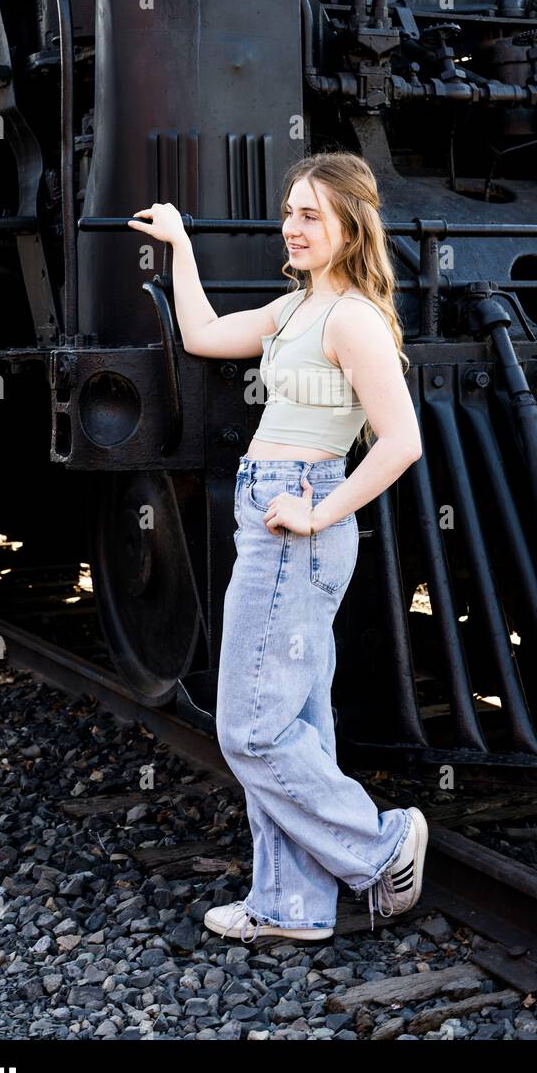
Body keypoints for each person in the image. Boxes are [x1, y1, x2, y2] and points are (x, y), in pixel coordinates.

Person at [128, 150, 427, 944]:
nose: (291, 227)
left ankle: (382, 846)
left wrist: (321, 511)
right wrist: (183, 247)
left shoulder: (352, 317)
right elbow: (201, 334)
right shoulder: (296, 308)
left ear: (350, 227)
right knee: (293, 717)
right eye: (290, 211)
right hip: (271, 509)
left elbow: (400, 442)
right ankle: (292, 905)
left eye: (311, 216)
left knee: (249, 730)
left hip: (296, 519)